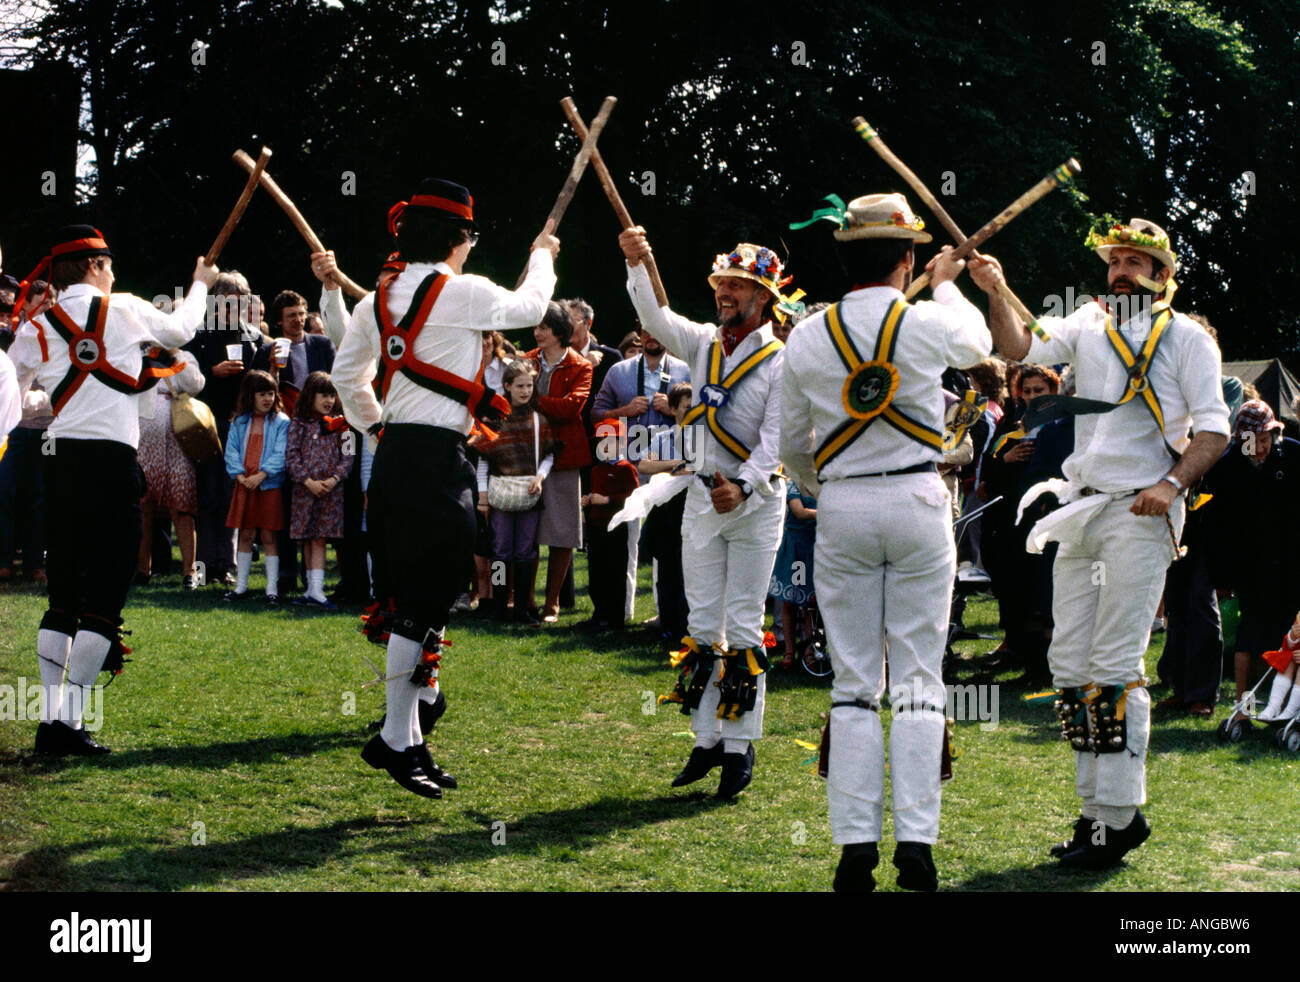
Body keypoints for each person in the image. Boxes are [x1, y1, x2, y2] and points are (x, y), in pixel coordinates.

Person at [974, 216, 1230, 869]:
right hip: (1082, 508)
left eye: (1135, 262)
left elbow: (1215, 431)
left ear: (1163, 275)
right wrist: (995, 287)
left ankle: (1117, 819)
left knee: (1115, 666)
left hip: (1141, 514)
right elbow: (1020, 350)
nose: (1120, 270)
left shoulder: (1189, 340)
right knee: (1069, 668)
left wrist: (1171, 487)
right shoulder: (1087, 325)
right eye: (1114, 260)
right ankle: (1096, 815)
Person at [781, 193, 994, 891]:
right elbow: (984, 345)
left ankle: (854, 849)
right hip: (915, 498)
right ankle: (919, 845)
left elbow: (790, 444)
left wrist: (826, 485)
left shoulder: (808, 335)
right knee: (918, 680)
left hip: (843, 505)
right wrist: (949, 282)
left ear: (845, 257)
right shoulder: (929, 319)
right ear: (906, 259)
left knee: (852, 682)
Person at [331, 178, 558, 799]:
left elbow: (348, 376)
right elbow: (531, 309)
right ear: (459, 238)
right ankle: (399, 738)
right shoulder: (464, 292)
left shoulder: (374, 301)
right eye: (470, 236)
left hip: (397, 455)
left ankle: (410, 730)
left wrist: (377, 426)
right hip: (436, 459)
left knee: (418, 594)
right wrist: (544, 254)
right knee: (428, 596)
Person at [8, 225, 218, 755]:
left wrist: (44, 404)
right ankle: (69, 723)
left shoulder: (37, 326)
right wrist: (200, 283)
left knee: (62, 595)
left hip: (57, 464)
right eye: (110, 261)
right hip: (111, 464)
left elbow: (11, 393)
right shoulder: (123, 308)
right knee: (104, 595)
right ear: (96, 265)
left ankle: (50, 719)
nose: (115, 270)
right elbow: (182, 331)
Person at [622, 230, 791, 800]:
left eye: (738, 286)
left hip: (756, 505)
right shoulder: (700, 342)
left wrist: (743, 487)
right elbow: (654, 313)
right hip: (701, 497)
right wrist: (638, 261)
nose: (725, 294)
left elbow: (777, 439)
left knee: (743, 625)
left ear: (763, 296)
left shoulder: (781, 359)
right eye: (722, 284)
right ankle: (705, 739)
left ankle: (741, 750)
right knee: (702, 625)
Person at [1203, 400, 1300, 727]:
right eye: (1251, 440)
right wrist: (1221, 576)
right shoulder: (1226, 467)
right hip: (1250, 565)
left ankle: (1286, 705)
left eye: (1265, 440)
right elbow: (1215, 527)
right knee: (1250, 633)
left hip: (1291, 560)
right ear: (1238, 438)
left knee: (1291, 635)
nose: (1259, 448)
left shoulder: (1293, 455)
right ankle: (1243, 706)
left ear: (1275, 434)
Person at [186, 270, 261, 589]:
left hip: (240, 425)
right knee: (206, 497)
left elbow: (262, 385)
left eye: (239, 304)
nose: (233, 311)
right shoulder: (199, 336)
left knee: (232, 498)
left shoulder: (255, 339)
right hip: (204, 425)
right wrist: (211, 372)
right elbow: (185, 380)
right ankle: (202, 568)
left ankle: (226, 566)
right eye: (226, 304)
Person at [474, 360, 556, 625]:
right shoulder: (495, 421)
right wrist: (483, 495)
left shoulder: (538, 420)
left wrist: (540, 477)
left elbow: (549, 454)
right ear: (507, 386)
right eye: (519, 385)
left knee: (525, 551)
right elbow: (484, 459)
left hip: (529, 494)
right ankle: (499, 607)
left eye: (529, 385)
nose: (525, 391)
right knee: (500, 551)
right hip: (501, 494)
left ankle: (521, 607)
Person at [524, 301, 592, 623]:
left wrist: (533, 400)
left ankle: (552, 603)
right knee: (521, 533)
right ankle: (518, 598)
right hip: (525, 457)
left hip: (565, 458)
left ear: (560, 332)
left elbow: (571, 409)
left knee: (562, 533)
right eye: (536, 327)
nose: (537, 333)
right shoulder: (525, 361)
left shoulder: (581, 366)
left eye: (544, 328)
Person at [136, 346, 206, 588]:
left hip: (179, 439)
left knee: (182, 505)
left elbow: (196, 385)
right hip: (145, 436)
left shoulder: (185, 356)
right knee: (144, 504)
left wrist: (175, 358)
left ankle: (191, 571)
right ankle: (142, 569)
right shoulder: (141, 355)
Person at [286, 371, 354, 609]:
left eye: (332, 395)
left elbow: (348, 456)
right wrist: (308, 481)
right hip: (305, 491)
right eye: (323, 395)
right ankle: (311, 590)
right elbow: (291, 455)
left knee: (320, 538)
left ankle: (317, 590)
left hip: (330, 491)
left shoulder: (343, 425)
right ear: (310, 396)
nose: (329, 401)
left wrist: (334, 479)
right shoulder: (298, 423)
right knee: (307, 538)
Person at [223, 370, 290, 606]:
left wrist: (262, 475)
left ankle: (271, 588)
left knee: (269, 535)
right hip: (245, 485)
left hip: (268, 485)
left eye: (271, 394)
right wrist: (240, 477)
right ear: (250, 396)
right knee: (246, 533)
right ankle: (241, 586)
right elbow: (230, 451)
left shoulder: (282, 422)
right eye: (262, 394)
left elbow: (281, 453)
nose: (267, 399)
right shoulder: (240, 422)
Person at [638, 381, 695, 645]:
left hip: (693, 508)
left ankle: (689, 626)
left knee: (689, 572)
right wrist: (676, 464)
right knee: (667, 571)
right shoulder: (664, 437)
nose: (691, 413)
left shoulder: (702, 438)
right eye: (686, 408)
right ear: (672, 409)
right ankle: (668, 623)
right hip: (667, 512)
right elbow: (645, 465)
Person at [582, 417, 640, 629]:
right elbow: (595, 493)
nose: (604, 446)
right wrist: (588, 500)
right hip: (596, 526)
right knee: (596, 571)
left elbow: (632, 497)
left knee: (614, 571)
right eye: (601, 442)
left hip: (615, 527)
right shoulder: (596, 470)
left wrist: (607, 500)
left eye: (610, 441)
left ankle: (615, 617)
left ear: (622, 443)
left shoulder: (626, 469)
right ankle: (599, 613)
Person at [768, 479, 818, 670]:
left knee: (809, 604)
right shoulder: (793, 486)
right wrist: (830, 514)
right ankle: (789, 651)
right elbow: (799, 512)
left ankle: (808, 650)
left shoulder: (820, 485)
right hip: (796, 554)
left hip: (813, 550)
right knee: (792, 600)